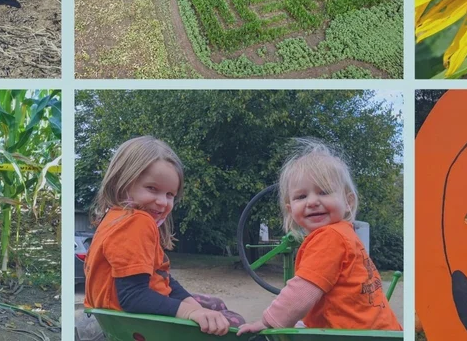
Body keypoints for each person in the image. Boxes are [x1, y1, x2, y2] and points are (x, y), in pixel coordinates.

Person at [82, 136, 243, 337]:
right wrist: (190, 312)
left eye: (170, 195)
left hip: (120, 316)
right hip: (135, 323)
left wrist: (192, 305)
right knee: (233, 323)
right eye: (152, 189)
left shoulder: (115, 218)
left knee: (215, 306)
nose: (162, 202)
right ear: (122, 182)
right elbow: (133, 296)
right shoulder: (136, 222)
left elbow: (161, 278)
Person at [238, 140, 402, 334]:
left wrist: (268, 322)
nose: (313, 202)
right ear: (290, 210)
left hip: (353, 336)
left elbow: (303, 292)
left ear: (348, 201)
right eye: (301, 196)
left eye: (323, 192)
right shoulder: (346, 233)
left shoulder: (329, 238)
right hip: (377, 331)